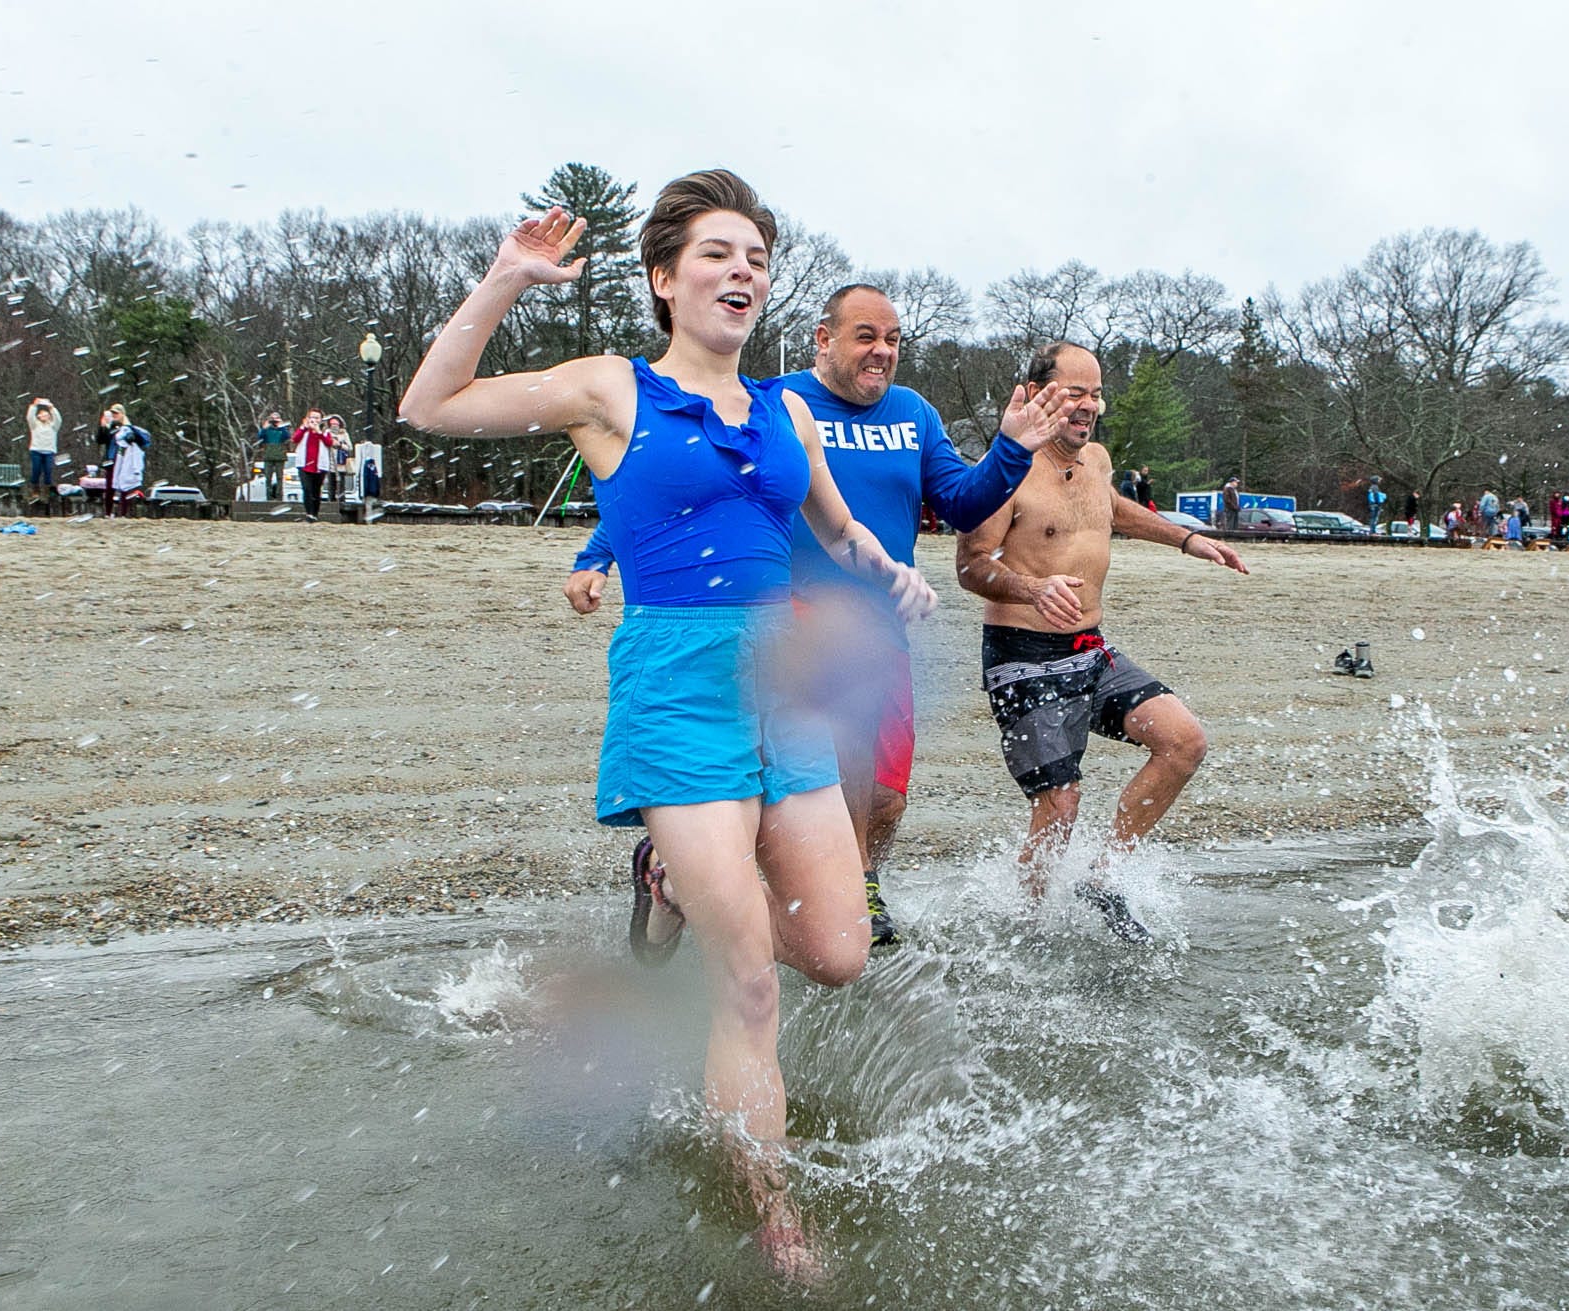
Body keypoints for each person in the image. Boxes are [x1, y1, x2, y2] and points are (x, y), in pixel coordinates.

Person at [397, 173, 944, 1280]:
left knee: (836, 953)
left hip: (781, 681)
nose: (741, 270)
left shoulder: (788, 409)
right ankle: (778, 1215)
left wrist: (890, 574)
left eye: (755, 257)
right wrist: (508, 277)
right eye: (715, 254)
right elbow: (429, 406)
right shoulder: (610, 391)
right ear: (662, 279)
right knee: (748, 980)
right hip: (679, 684)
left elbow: (835, 526)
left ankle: (673, 880)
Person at [567, 282, 1067, 945]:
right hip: (782, 623)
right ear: (823, 339)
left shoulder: (914, 414)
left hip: (878, 625)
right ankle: (724, 877)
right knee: (803, 776)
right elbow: (680, 488)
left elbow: (961, 503)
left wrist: (1010, 449)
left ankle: (835, 882)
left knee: (885, 796)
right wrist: (597, 554)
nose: (882, 351)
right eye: (866, 336)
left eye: (893, 339)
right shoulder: (779, 404)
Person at [955, 342, 1248, 942]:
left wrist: (1186, 539)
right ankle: (1023, 929)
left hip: (1089, 647)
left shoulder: (1099, 460)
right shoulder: (1007, 469)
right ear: (1038, 393)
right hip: (1022, 655)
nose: (1089, 406)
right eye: (1074, 392)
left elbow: (1111, 510)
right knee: (1060, 804)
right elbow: (971, 564)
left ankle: (1103, 874)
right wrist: (1031, 588)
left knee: (1183, 742)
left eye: (1095, 393)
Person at [292, 409, 338, 522]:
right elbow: (295, 439)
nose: (314, 420)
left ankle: (315, 514)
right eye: (312, 417)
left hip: (320, 465)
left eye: (317, 418)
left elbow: (329, 442)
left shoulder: (325, 431)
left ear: (321, 420)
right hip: (304, 464)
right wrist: (303, 427)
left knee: (316, 491)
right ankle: (309, 513)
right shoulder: (303, 430)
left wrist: (319, 432)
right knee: (307, 489)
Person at [103, 406, 150, 517]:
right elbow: (101, 439)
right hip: (112, 459)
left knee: (125, 486)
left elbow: (137, 443)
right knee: (110, 487)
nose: (114, 416)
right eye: (112, 413)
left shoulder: (130, 429)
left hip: (125, 460)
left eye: (116, 413)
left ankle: (123, 513)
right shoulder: (110, 428)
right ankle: (108, 513)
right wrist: (103, 426)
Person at [25, 398, 61, 495]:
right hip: (36, 450)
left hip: (49, 451)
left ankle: (47, 491)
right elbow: (29, 417)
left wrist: (52, 408)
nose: (44, 416)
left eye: (46, 414)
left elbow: (58, 419)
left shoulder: (53, 426)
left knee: (48, 472)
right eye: (42, 414)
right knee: (36, 471)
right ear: (38, 416)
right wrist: (34, 406)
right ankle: (35, 490)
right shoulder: (35, 425)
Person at [257, 412, 292, 501]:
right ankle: (268, 496)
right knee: (268, 477)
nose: (274, 421)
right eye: (273, 419)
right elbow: (260, 436)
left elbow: (287, 437)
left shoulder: (282, 429)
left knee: (280, 477)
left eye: (276, 418)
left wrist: (281, 426)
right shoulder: (267, 429)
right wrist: (264, 427)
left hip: (280, 456)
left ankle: (279, 496)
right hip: (268, 455)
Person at [324, 415, 353, 504]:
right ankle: (331, 501)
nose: (334, 426)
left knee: (341, 483)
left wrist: (340, 445)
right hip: (330, 462)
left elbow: (349, 447)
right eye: (332, 424)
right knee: (331, 483)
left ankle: (341, 500)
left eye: (336, 424)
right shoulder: (327, 433)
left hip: (341, 463)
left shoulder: (344, 434)